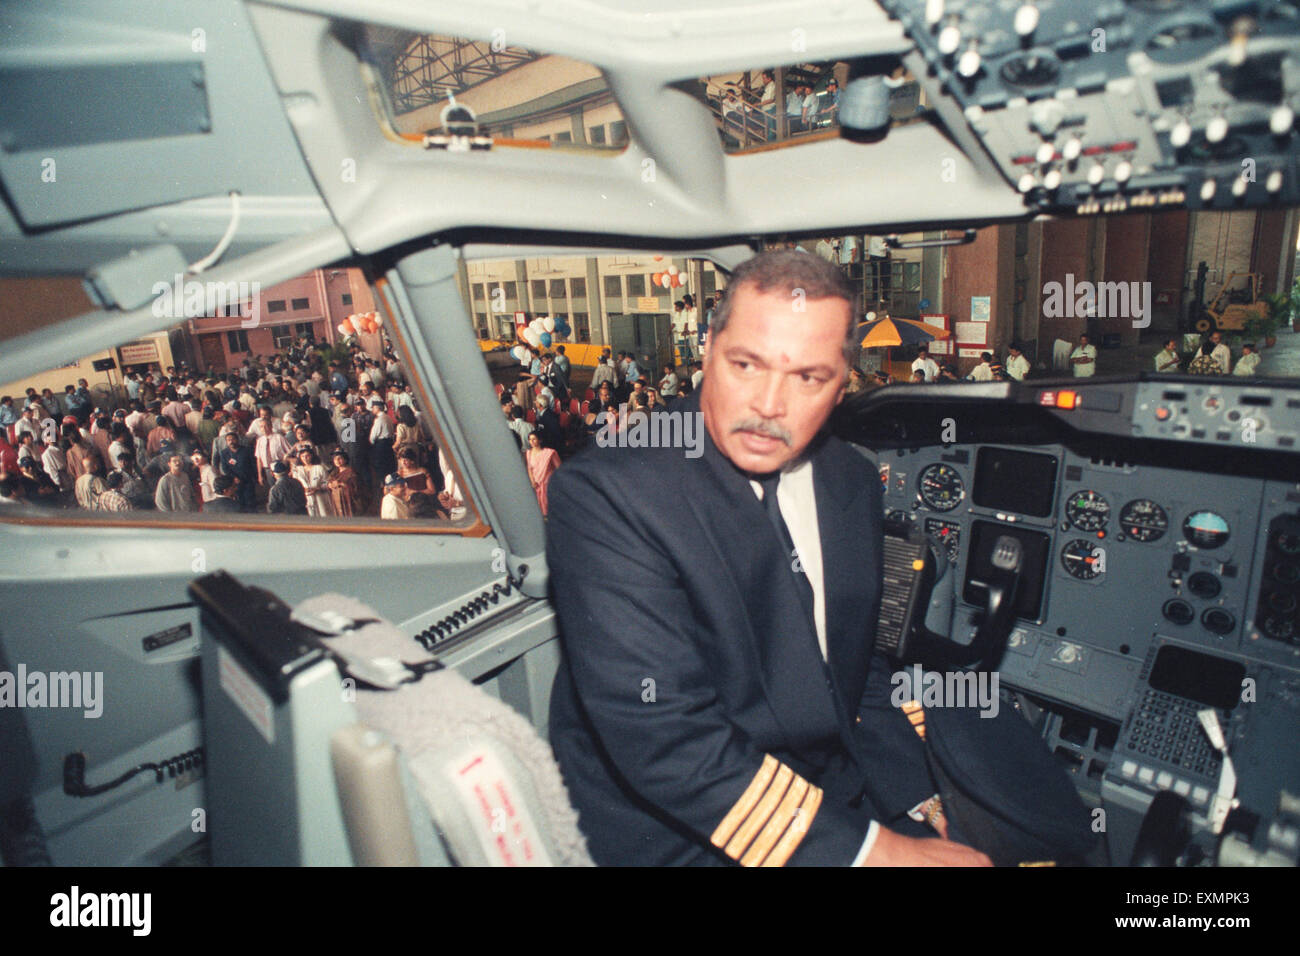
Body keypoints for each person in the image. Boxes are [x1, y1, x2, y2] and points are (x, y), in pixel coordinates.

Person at [546, 250, 993, 867]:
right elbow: (664, 736)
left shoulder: (851, 481)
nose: (768, 405)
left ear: (843, 386)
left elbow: (855, 667)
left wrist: (918, 795)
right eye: (746, 364)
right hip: (675, 825)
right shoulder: (612, 493)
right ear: (707, 351)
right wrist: (876, 852)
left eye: (807, 377)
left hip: (826, 787)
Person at [525, 431, 561, 517]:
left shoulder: (549, 453)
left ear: (539, 440)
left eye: (534, 439)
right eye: (530, 440)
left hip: (548, 484)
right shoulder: (529, 453)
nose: (532, 442)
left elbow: (559, 468)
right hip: (536, 485)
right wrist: (532, 481)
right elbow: (529, 469)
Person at [327, 449, 362, 517]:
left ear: (345, 459)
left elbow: (357, 487)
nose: (337, 461)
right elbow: (329, 482)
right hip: (336, 498)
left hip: (347, 499)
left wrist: (341, 484)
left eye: (339, 458)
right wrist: (329, 485)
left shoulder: (351, 472)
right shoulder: (334, 473)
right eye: (335, 459)